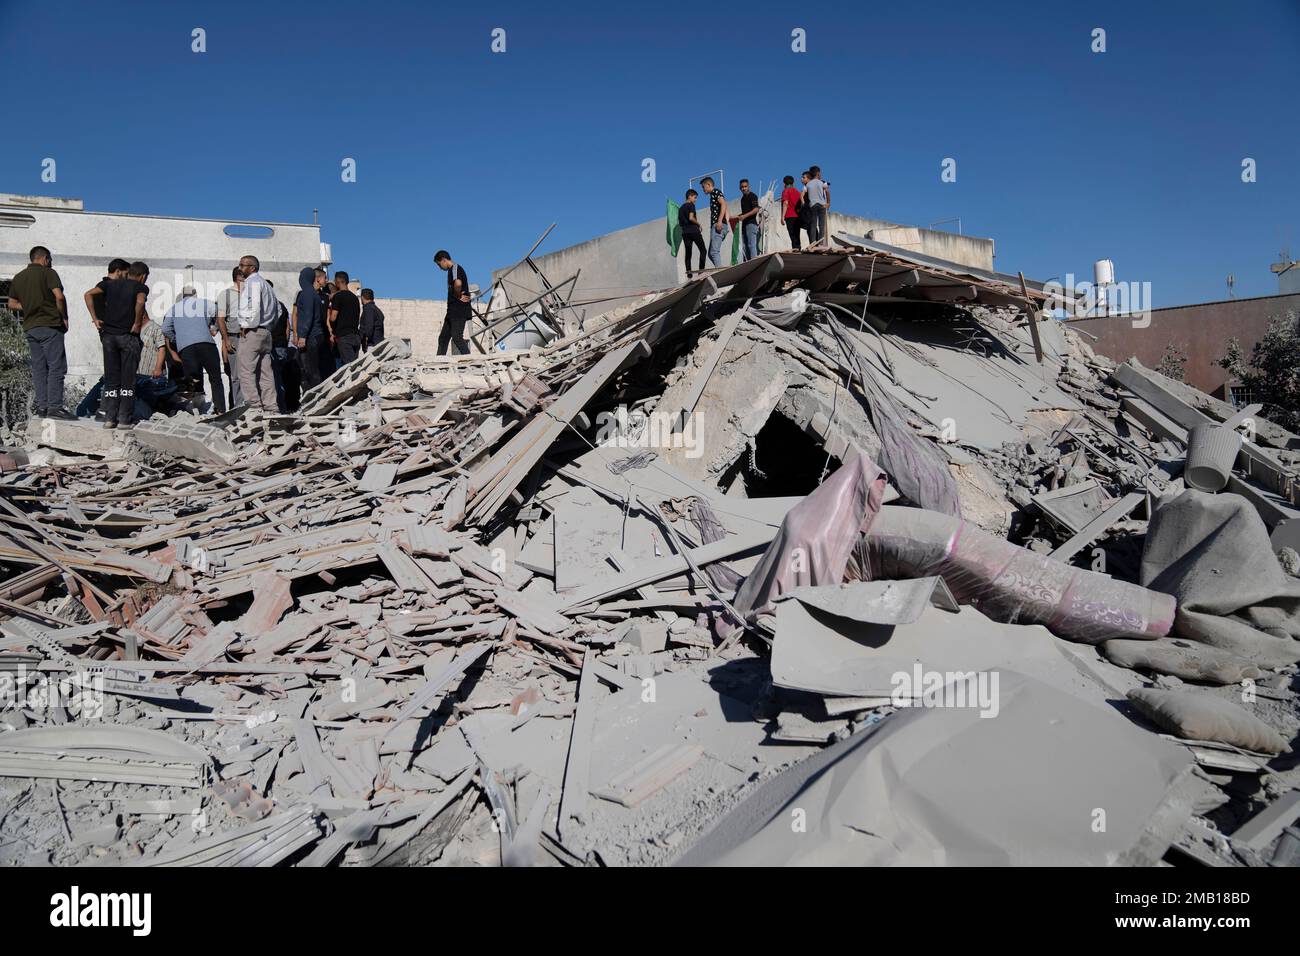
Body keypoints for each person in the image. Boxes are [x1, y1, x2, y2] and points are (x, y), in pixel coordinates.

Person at [6, 245, 73, 419]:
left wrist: (28, 306)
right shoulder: (48, 273)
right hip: (50, 325)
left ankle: (42, 407)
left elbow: (11, 304)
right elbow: (59, 296)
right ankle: (55, 408)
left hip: (30, 328)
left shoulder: (19, 277)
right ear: (45, 258)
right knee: (56, 367)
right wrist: (64, 317)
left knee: (39, 369)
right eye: (49, 259)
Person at [86, 261, 149, 428]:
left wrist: (95, 318)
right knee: (127, 380)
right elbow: (141, 302)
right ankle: (124, 419)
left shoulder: (109, 285)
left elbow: (88, 294)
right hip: (127, 337)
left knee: (112, 379)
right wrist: (136, 323)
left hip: (108, 337)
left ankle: (109, 418)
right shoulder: (140, 287)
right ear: (143, 276)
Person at [163, 285, 225, 413]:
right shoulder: (204, 303)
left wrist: (177, 339)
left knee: (193, 382)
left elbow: (165, 329)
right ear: (195, 294)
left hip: (187, 349)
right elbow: (220, 313)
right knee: (215, 379)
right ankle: (220, 410)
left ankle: (197, 411)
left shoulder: (174, 308)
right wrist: (215, 328)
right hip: (207, 345)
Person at [235, 254, 280, 412]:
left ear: (252, 268)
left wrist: (247, 325)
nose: (240, 268)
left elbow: (253, 305)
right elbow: (278, 310)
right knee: (265, 372)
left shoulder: (252, 282)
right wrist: (269, 326)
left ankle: (254, 409)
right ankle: (271, 408)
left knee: (246, 371)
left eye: (242, 265)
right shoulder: (265, 284)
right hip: (265, 332)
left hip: (253, 330)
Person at [293, 267, 328, 390]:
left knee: (310, 371)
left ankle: (316, 399)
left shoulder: (307, 293)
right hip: (314, 336)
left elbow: (308, 315)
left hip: (310, 337)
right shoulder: (312, 293)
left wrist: (302, 336)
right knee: (305, 368)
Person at [434, 251, 471, 355]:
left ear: (443, 260)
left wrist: (458, 295)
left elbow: (458, 284)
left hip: (459, 310)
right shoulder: (451, 271)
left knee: (457, 337)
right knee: (443, 338)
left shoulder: (455, 268)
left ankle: (469, 359)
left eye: (438, 264)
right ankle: (439, 363)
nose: (439, 267)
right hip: (451, 312)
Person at [216, 266, 243, 408]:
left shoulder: (249, 294)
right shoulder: (225, 295)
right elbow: (220, 319)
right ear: (236, 279)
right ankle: (239, 406)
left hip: (249, 337)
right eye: (241, 279)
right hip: (234, 337)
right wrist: (226, 340)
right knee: (236, 375)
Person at [327, 271, 362, 364]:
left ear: (337, 282)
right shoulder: (355, 298)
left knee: (350, 368)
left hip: (344, 337)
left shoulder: (338, 297)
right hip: (356, 336)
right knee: (355, 365)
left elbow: (333, 318)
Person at [700, 177, 729, 268]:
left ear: (708, 185)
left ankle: (720, 271)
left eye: (703, 187)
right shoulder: (713, 195)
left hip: (718, 225)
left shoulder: (715, 192)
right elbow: (725, 209)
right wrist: (726, 223)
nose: (703, 189)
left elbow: (724, 204)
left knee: (714, 252)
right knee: (710, 253)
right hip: (717, 225)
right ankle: (719, 267)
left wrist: (720, 222)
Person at [678, 189, 706, 278]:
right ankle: (701, 271)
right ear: (689, 196)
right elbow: (691, 218)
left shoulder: (681, 208)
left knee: (688, 253)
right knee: (703, 250)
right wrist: (699, 224)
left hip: (685, 233)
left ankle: (689, 275)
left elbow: (680, 223)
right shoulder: (691, 205)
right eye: (695, 197)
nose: (695, 200)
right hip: (694, 231)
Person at [736, 178, 761, 261]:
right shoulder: (742, 199)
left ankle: (754, 262)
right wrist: (735, 217)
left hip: (751, 224)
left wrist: (744, 216)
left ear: (748, 186)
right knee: (744, 246)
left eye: (745, 186)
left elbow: (756, 209)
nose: (744, 188)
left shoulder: (753, 196)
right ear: (740, 188)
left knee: (751, 245)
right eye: (742, 187)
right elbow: (744, 213)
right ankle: (747, 263)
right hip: (744, 225)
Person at [805, 165, 830, 245]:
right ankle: (821, 242)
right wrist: (828, 203)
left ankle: (813, 243)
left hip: (812, 205)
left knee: (813, 225)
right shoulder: (822, 183)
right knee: (821, 225)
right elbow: (827, 192)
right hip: (822, 205)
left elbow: (805, 195)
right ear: (818, 174)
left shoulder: (808, 184)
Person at [781, 175, 802, 251]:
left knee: (792, 235)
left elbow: (785, 203)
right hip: (798, 216)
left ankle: (796, 250)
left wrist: (782, 217)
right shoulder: (797, 192)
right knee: (797, 235)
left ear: (784, 184)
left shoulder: (786, 191)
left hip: (789, 216)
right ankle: (798, 249)